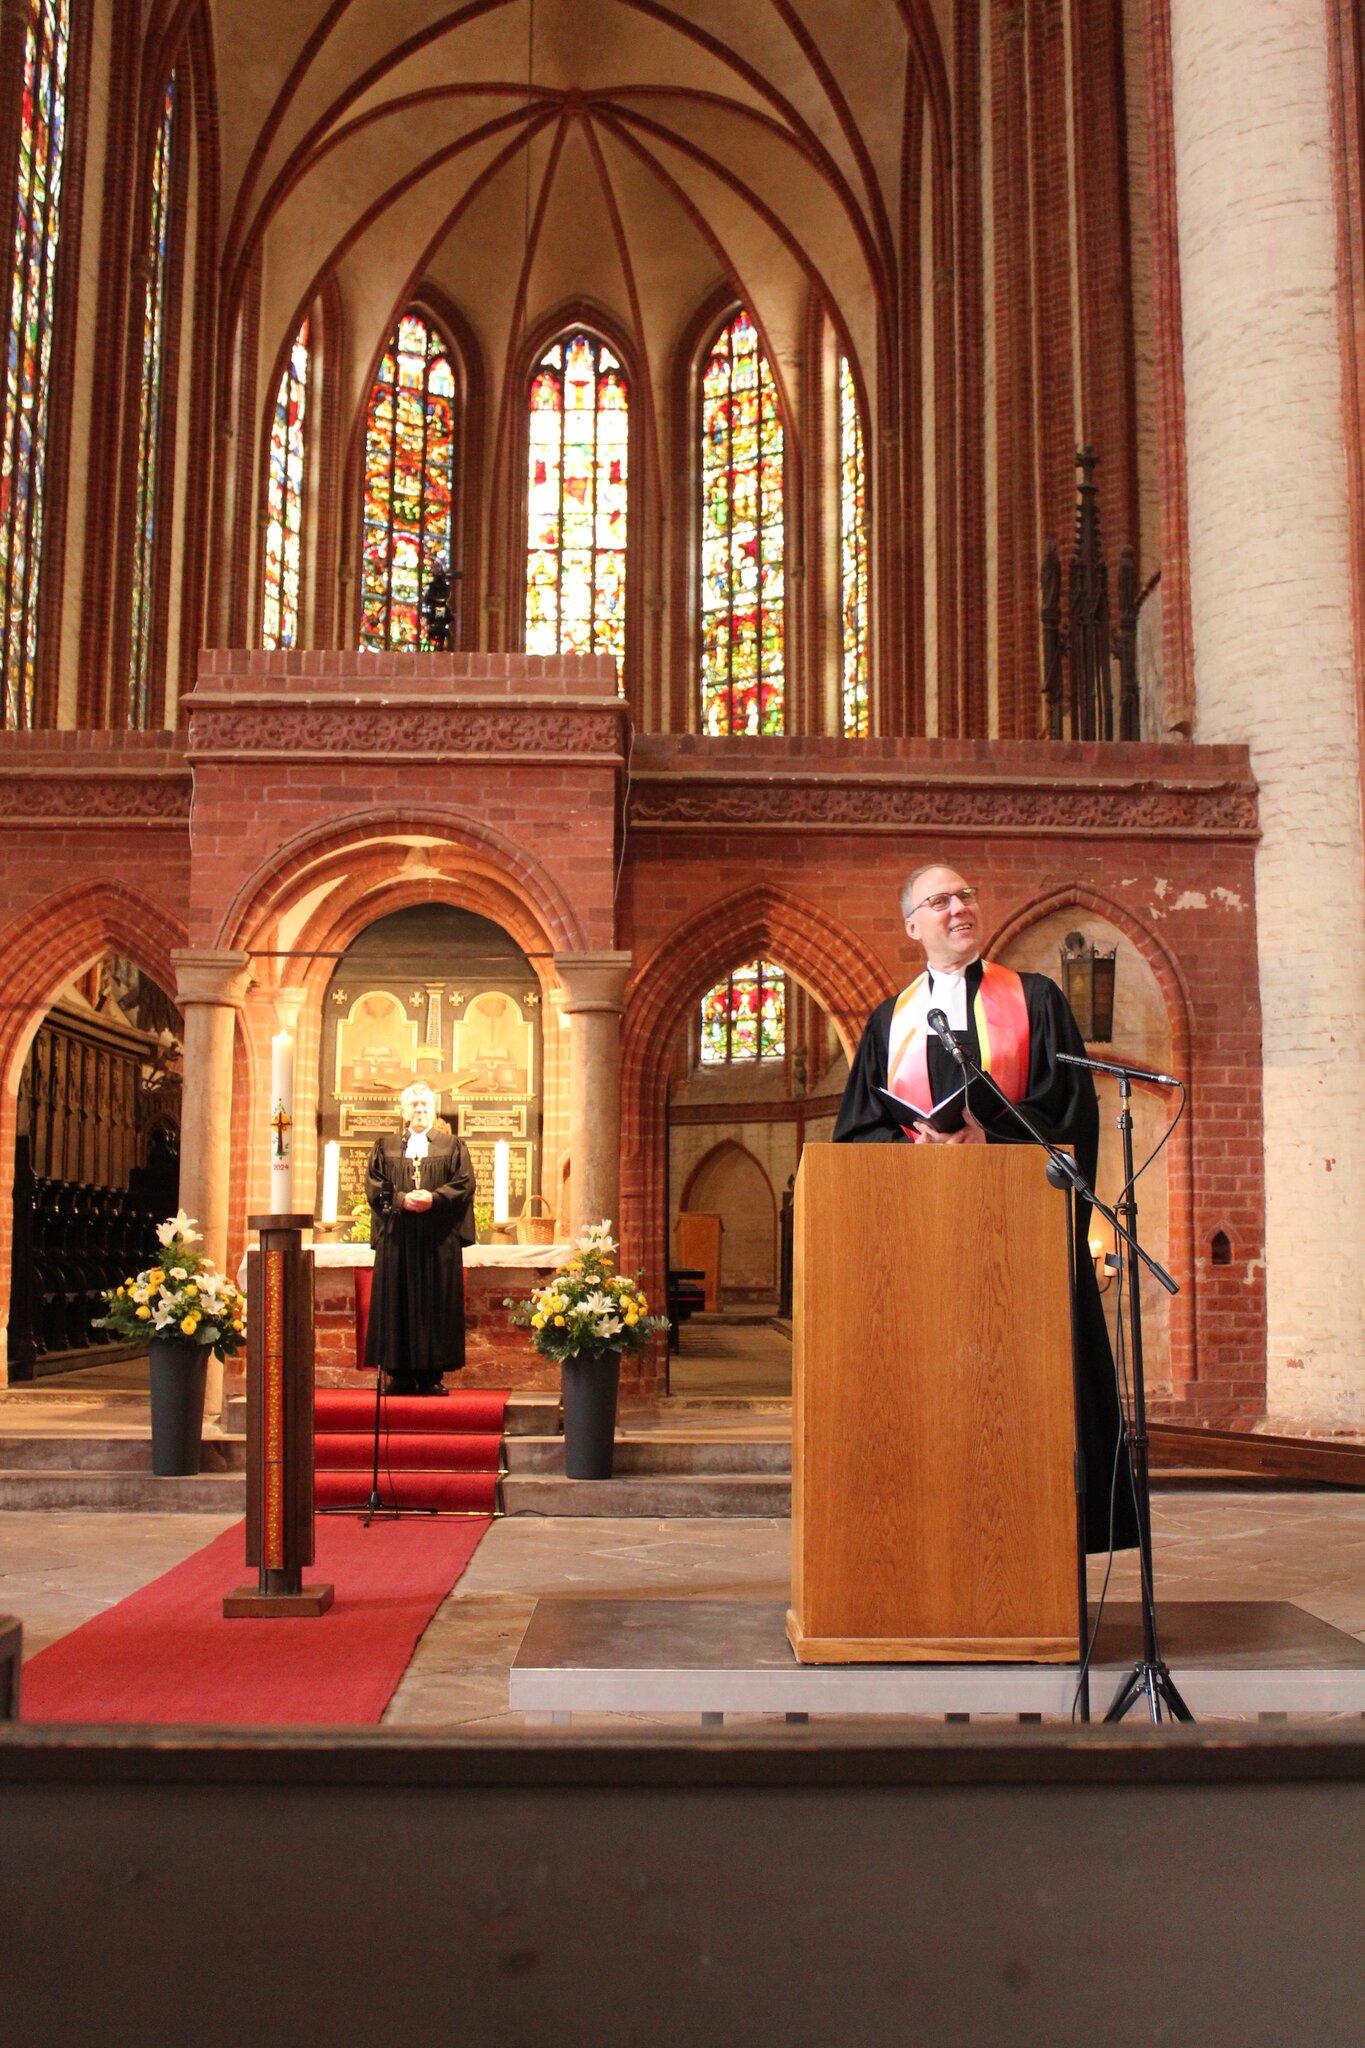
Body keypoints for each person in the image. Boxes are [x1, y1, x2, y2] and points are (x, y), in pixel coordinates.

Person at [834, 860, 1137, 1551]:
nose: (958, 908)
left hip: (1018, 1231)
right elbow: (854, 1130)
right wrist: (915, 1149)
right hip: (920, 1240)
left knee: (1026, 1394)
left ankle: (1038, 1540)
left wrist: (988, 1132)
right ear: (913, 925)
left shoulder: (1035, 1000)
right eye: (939, 901)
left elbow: (1068, 1106)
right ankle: (923, 1537)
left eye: (965, 895)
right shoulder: (890, 1022)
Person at [365, 1082, 476, 1395]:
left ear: (434, 1110)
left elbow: (464, 1184)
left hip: (437, 1240)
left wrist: (434, 1198)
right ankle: (398, 1375)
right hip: (397, 1237)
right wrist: (401, 1200)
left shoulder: (452, 1146)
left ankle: (431, 1376)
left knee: (435, 1303)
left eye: (425, 1104)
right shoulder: (386, 1147)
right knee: (395, 1301)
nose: (419, 1109)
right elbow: (374, 1185)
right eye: (413, 1105)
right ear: (403, 1112)